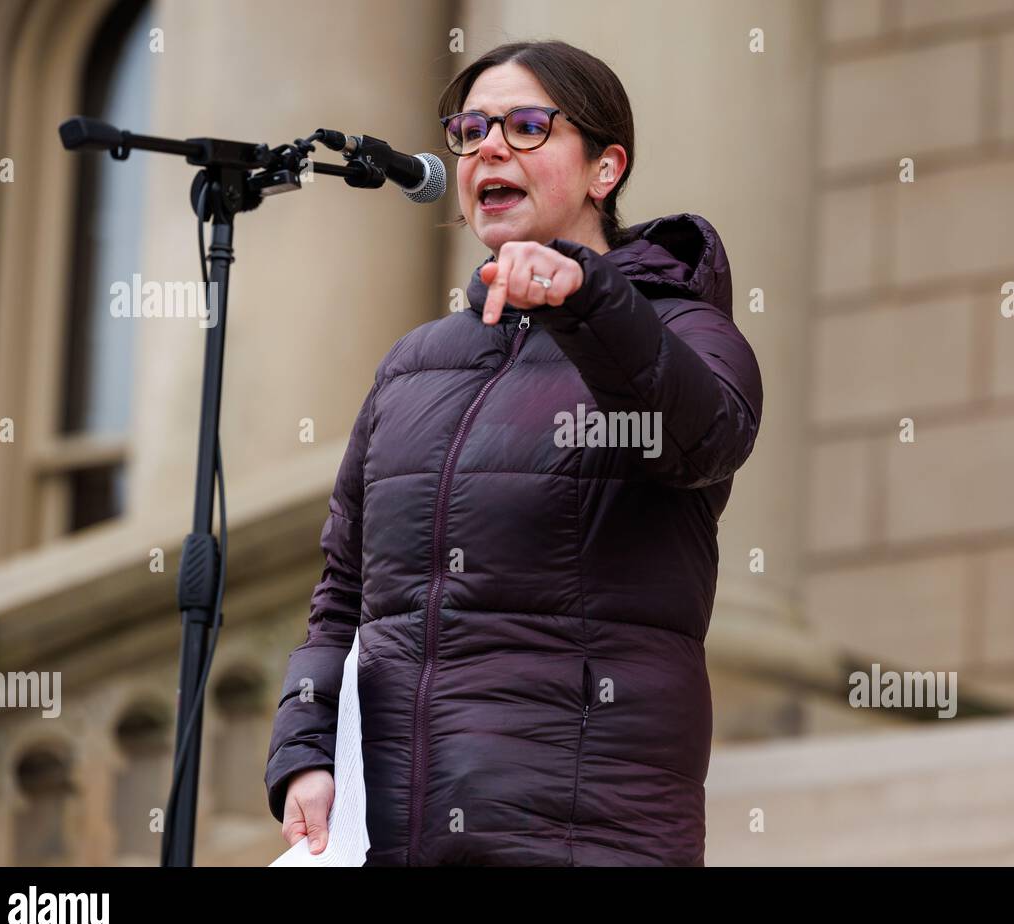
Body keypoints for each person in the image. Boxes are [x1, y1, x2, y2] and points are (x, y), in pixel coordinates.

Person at [264, 38, 763, 866]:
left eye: (528, 125)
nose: (488, 147)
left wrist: (588, 298)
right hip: (392, 829)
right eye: (470, 130)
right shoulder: (414, 364)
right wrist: (305, 749)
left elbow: (699, 442)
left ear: (606, 169)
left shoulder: (683, 328)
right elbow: (344, 589)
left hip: (583, 834)